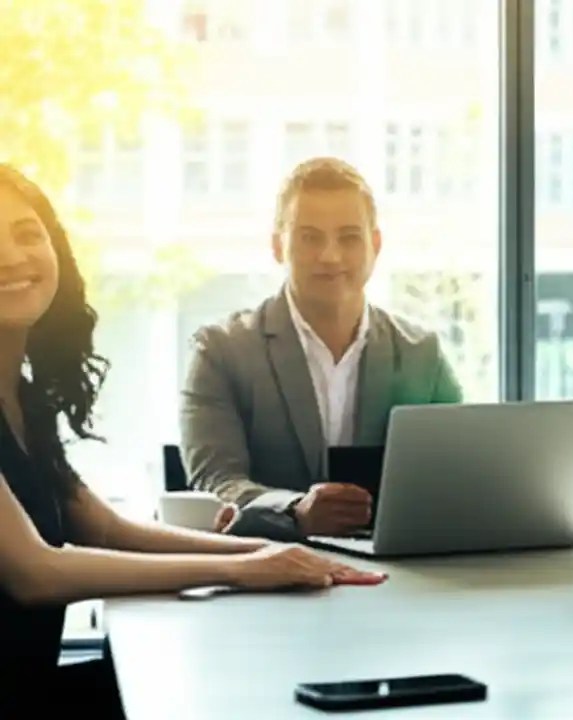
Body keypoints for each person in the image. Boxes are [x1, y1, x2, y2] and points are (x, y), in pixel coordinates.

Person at [0, 164, 384, 709]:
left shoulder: (23, 396)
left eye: (26, 233)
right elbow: (34, 571)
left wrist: (267, 549)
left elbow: (104, 528)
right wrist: (242, 569)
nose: (13, 257)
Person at [180, 157, 463, 541]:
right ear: (278, 246)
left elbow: (460, 476)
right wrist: (293, 510)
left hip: (396, 578)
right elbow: (215, 481)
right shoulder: (221, 351)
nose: (330, 256)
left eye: (349, 237)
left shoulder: (421, 354)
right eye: (310, 237)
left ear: (375, 245)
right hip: (265, 579)